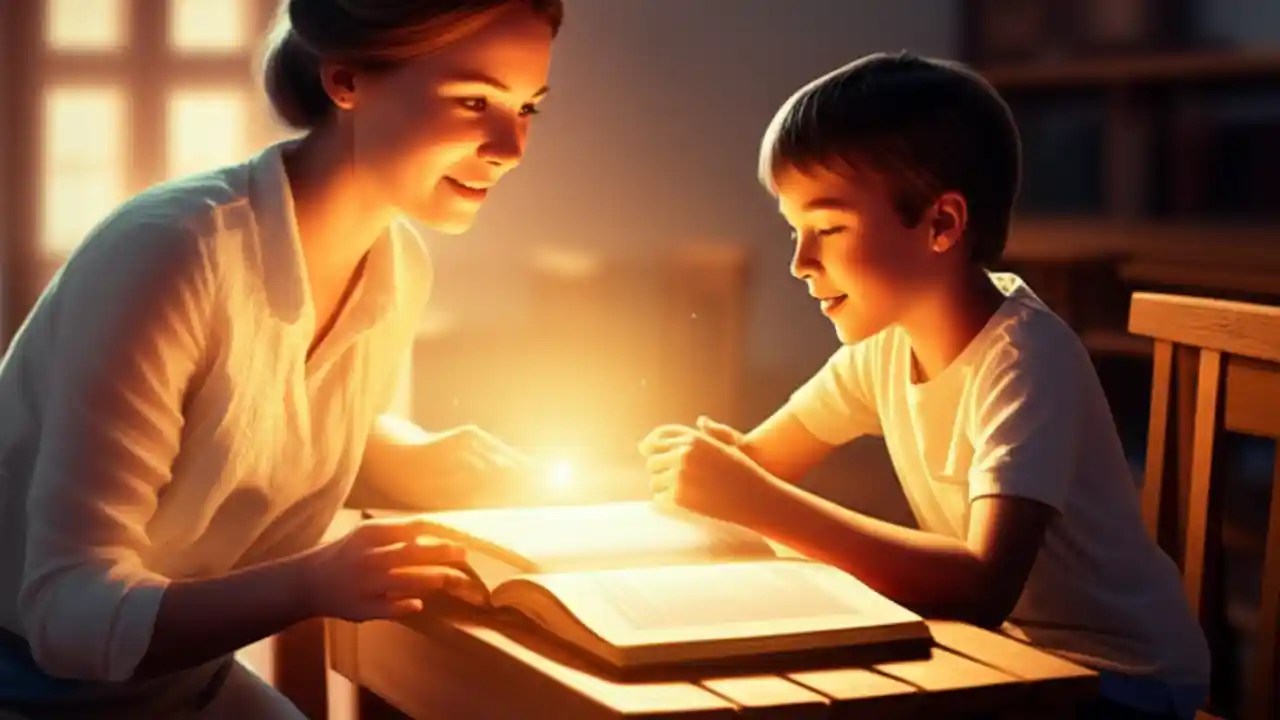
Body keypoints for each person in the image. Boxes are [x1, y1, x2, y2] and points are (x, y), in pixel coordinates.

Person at [0, 0, 562, 716]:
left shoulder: (396, 263)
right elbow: (66, 616)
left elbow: (250, 410)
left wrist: (414, 458)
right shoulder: (173, 253)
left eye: (528, 108)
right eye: (473, 100)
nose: (510, 147)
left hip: (188, 685)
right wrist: (312, 584)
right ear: (346, 81)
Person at [639, 53, 1210, 720]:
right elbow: (754, 468)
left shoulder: (1026, 357)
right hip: (1004, 659)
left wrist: (757, 498)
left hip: (1121, 681)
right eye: (795, 231)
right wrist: (704, 473)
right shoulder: (885, 344)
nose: (799, 262)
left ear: (941, 224)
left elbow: (982, 585)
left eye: (827, 229)